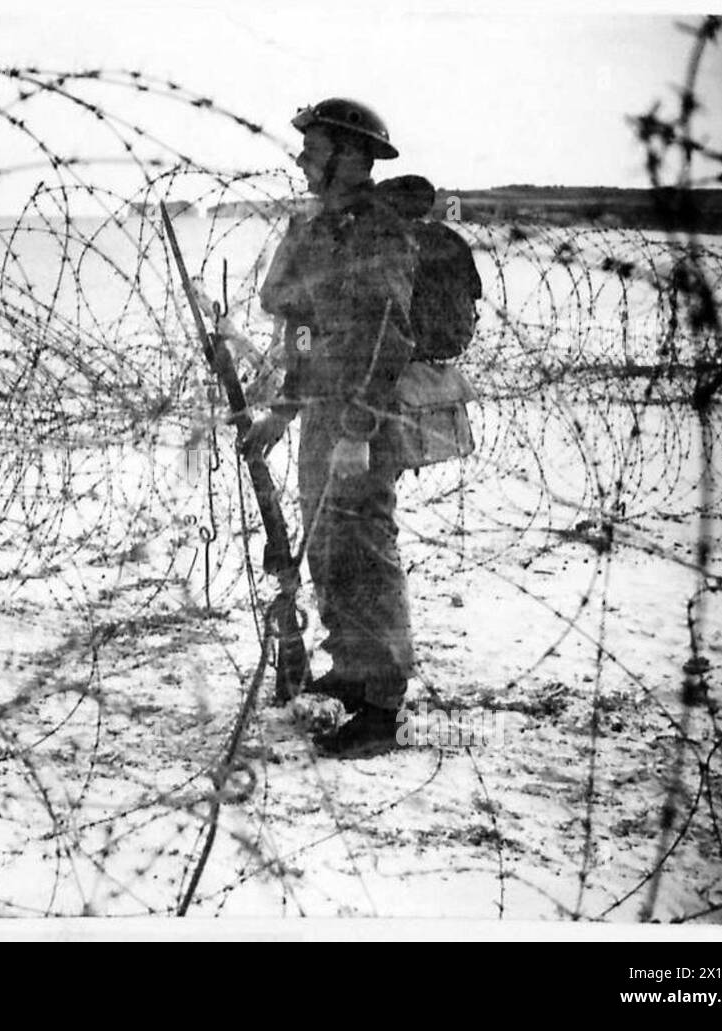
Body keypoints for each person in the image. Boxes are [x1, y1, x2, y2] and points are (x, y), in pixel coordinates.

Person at [245, 98, 434, 757]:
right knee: (327, 545)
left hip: (366, 415)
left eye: (314, 149)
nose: (302, 159)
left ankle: (383, 707)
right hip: (326, 410)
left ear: (350, 158)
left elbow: (390, 339)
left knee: (364, 549)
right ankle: (355, 670)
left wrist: (357, 430)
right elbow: (303, 330)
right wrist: (285, 408)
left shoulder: (380, 232)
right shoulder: (321, 229)